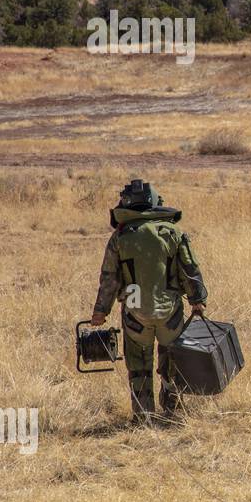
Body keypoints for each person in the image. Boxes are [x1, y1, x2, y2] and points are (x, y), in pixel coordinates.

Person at [91, 179, 208, 424]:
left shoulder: (120, 236)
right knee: (172, 361)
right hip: (170, 313)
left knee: (138, 366)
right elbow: (190, 269)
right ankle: (173, 412)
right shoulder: (173, 232)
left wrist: (100, 311)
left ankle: (143, 417)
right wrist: (197, 300)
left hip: (135, 314)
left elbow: (109, 278)